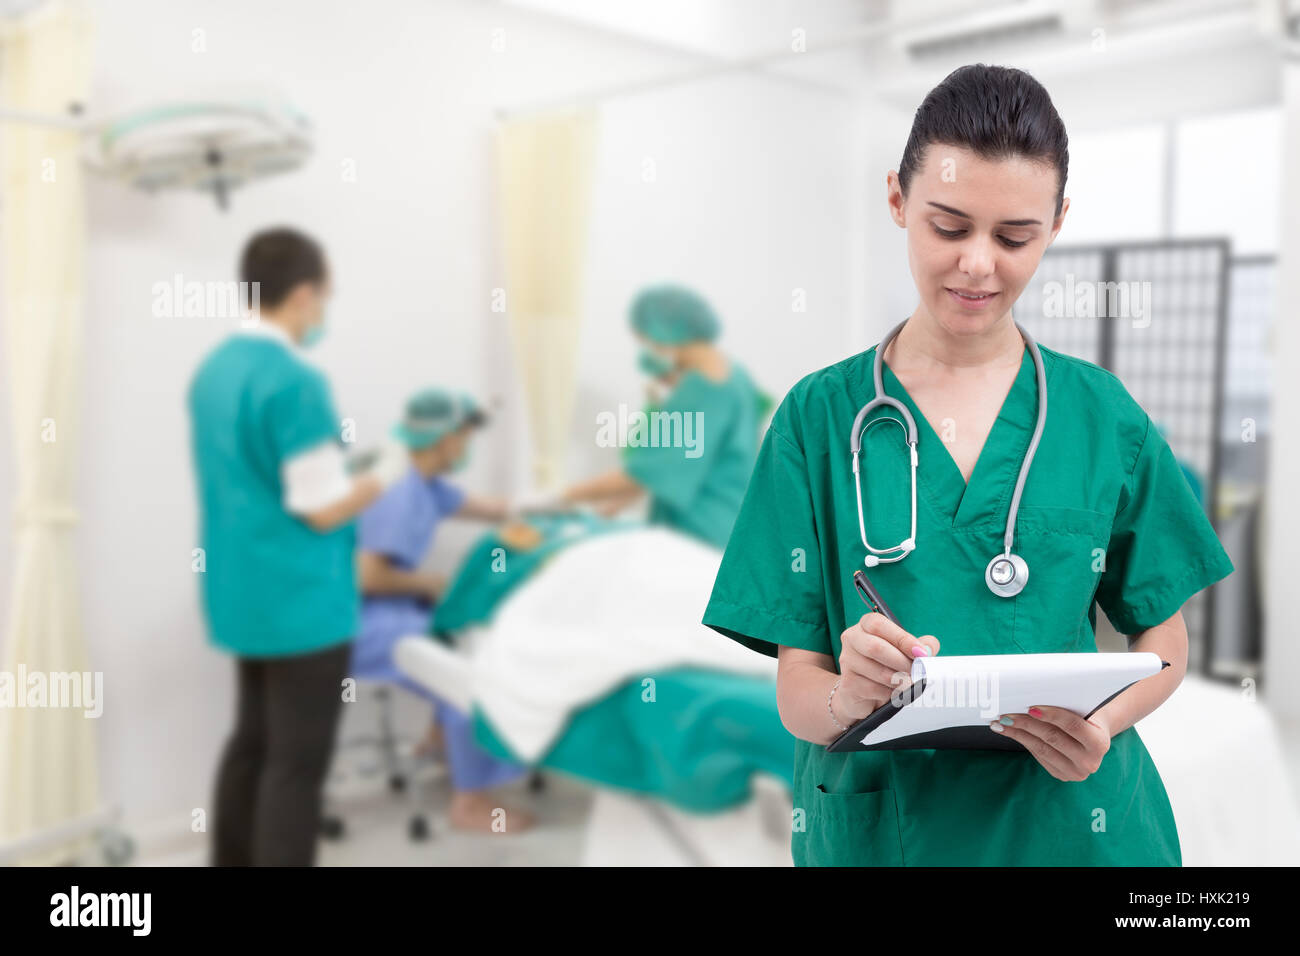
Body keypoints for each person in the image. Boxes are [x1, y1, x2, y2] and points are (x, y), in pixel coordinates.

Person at [701, 64, 1234, 867]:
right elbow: (796, 691)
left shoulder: (1101, 415)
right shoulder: (819, 419)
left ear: (1055, 225)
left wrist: (1106, 723)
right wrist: (848, 698)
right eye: (949, 227)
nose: (979, 264)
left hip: (1075, 828)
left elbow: (1162, 637)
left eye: (1014, 237)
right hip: (891, 832)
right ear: (897, 203)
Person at [188, 227, 408, 866]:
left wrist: (346, 472)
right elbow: (322, 510)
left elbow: (259, 477)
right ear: (304, 295)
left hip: (241, 596)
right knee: (295, 769)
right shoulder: (295, 381)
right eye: (326, 297)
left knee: (252, 744)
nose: (324, 312)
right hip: (302, 608)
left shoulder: (215, 371)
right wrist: (388, 473)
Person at [354, 388, 535, 833]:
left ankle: (440, 744)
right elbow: (367, 577)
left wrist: (550, 508)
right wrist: (432, 584)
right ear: (446, 439)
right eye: (467, 436)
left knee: (462, 637)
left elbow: (490, 508)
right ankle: (470, 803)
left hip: (387, 612)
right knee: (469, 669)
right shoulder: (398, 491)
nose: (468, 446)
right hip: (361, 624)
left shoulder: (425, 485)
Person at [550, 285, 767, 550]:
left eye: (647, 341)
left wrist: (557, 497)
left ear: (664, 331)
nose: (651, 349)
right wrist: (603, 512)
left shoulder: (702, 391)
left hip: (701, 537)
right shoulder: (735, 376)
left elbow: (643, 474)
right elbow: (663, 473)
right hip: (729, 529)